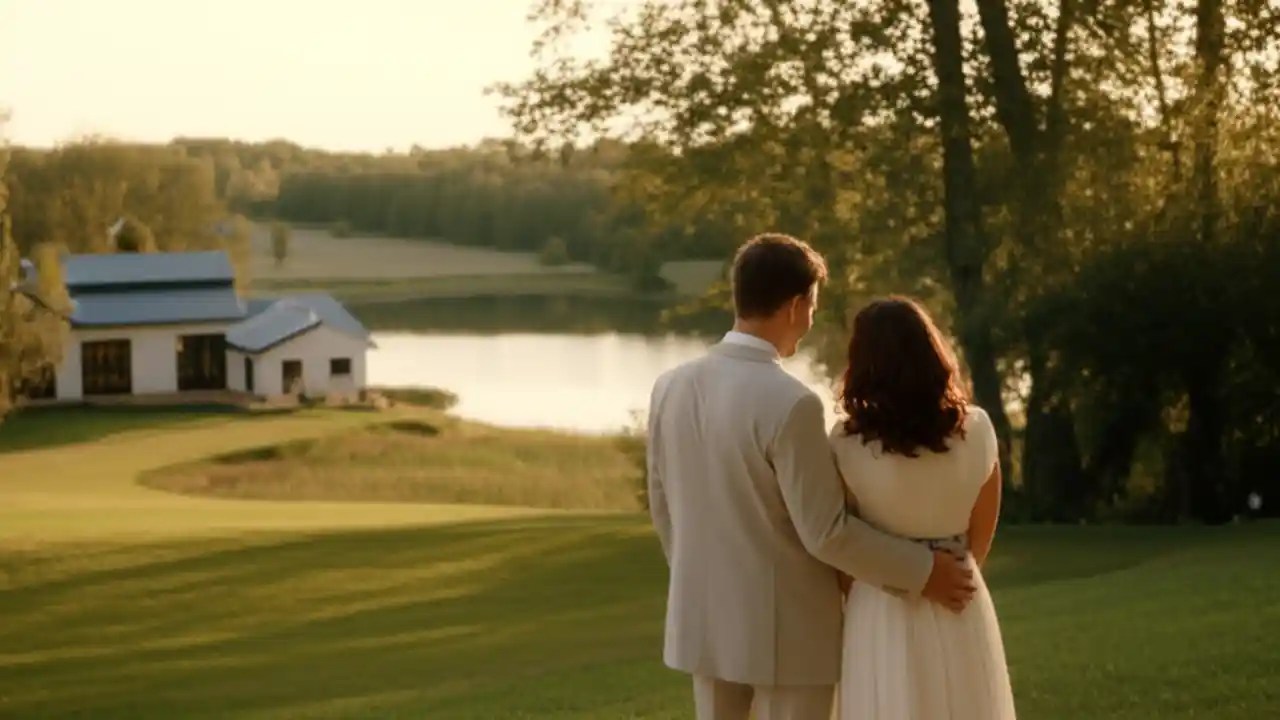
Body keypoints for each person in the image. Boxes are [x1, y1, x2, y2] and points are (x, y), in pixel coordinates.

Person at [646, 234, 975, 720]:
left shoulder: (668, 387)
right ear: (798, 304)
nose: (811, 321)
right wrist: (924, 571)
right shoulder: (792, 402)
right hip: (790, 637)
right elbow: (826, 532)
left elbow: (664, 508)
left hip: (704, 625)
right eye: (813, 307)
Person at [831, 296, 1016, 719]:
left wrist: (886, 583)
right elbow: (982, 529)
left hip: (879, 603)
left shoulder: (844, 441)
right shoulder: (980, 428)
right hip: (960, 591)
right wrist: (947, 572)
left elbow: (842, 542)